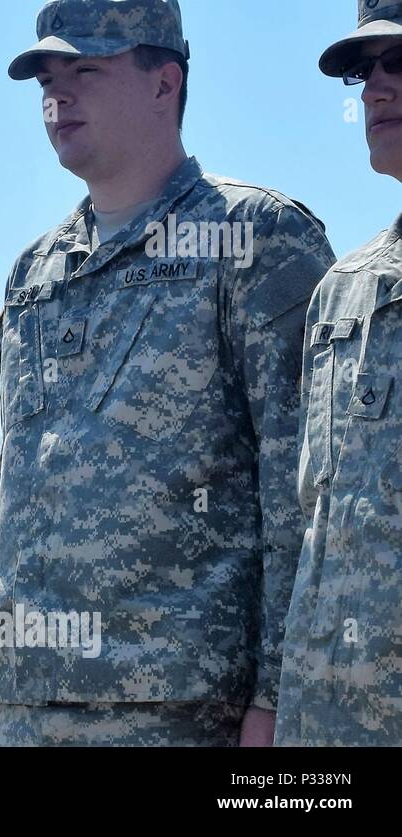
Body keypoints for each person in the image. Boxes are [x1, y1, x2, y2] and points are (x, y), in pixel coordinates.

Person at [0, 0, 337, 746]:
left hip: (178, 711)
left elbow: (304, 494)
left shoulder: (255, 238)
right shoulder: (33, 272)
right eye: (46, 76)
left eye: (85, 69)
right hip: (26, 703)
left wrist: (277, 697)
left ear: (163, 81)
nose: (57, 94)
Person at [277, 0, 402, 747]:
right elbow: (310, 517)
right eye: (365, 70)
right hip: (326, 724)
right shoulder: (342, 288)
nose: (376, 89)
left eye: (401, 63)